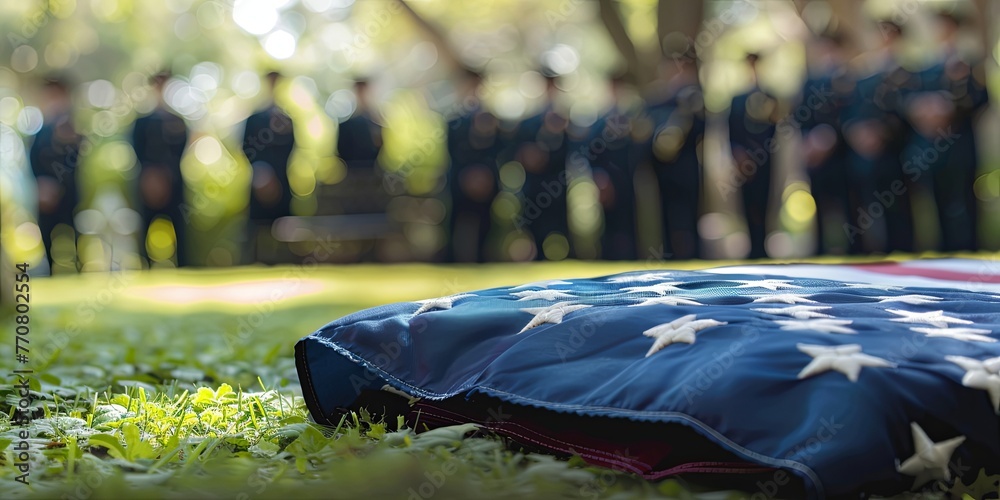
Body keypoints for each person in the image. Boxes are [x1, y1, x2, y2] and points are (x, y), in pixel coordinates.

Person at [903, 10, 989, 252]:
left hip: (960, 144)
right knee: (937, 199)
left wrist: (951, 108)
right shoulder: (925, 66)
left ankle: (972, 249)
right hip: (933, 147)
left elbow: (981, 99)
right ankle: (941, 251)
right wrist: (923, 112)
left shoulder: (969, 62)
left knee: (965, 202)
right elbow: (909, 101)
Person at [841, 20, 917, 254]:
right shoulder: (862, 73)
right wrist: (857, 133)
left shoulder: (909, 73)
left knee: (899, 212)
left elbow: (907, 113)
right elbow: (851, 111)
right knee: (865, 210)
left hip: (896, 154)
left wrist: (882, 132)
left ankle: (902, 252)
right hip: (865, 157)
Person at [797, 32, 853, 255]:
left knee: (846, 203)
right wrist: (809, 140)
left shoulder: (848, 79)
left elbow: (852, 113)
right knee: (818, 203)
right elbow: (800, 115)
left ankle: (850, 249)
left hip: (841, 154)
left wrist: (831, 136)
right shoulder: (811, 81)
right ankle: (819, 248)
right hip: (815, 156)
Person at [646, 48, 705, 260]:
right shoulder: (656, 99)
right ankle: (668, 256)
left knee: (689, 214)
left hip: (686, 167)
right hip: (663, 168)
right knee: (665, 215)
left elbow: (702, 130)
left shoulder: (693, 96)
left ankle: (693, 256)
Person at [132, 71, 190, 266]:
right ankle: (145, 264)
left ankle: (183, 264)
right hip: (147, 181)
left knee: (179, 226)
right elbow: (137, 151)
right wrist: (151, 178)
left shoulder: (178, 121)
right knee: (146, 224)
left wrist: (166, 176)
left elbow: (181, 151)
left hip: (173, 181)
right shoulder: (141, 122)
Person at [445, 69, 501, 263]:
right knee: (456, 219)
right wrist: (468, 175)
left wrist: (483, 175)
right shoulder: (454, 120)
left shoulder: (491, 118)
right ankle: (452, 258)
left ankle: (483, 257)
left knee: (485, 220)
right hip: (461, 179)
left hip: (486, 179)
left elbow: (497, 150)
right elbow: (452, 152)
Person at [729, 53, 781, 259]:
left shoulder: (771, 96)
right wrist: (738, 155)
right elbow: (731, 131)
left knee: (765, 199)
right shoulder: (737, 99)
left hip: (764, 158)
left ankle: (764, 243)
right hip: (743, 160)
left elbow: (774, 129)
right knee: (746, 202)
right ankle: (750, 244)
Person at [514, 72, 571, 261]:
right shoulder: (529, 122)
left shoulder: (565, 120)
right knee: (535, 226)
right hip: (535, 184)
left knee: (559, 225)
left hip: (556, 182)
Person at [241, 71, 295, 263]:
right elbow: (246, 148)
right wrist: (261, 173)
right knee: (256, 224)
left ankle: (285, 259)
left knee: (283, 222)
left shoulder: (287, 118)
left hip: (281, 179)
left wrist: (276, 176)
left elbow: (291, 148)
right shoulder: (255, 118)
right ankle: (253, 260)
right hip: (259, 179)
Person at [30, 77, 82, 272]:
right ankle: (50, 269)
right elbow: (34, 160)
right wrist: (42, 186)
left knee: (72, 230)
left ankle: (77, 266)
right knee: (47, 232)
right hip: (45, 192)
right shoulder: (39, 130)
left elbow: (75, 159)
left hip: (67, 192)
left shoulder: (71, 126)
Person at [589, 75, 639, 261]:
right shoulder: (599, 121)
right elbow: (590, 151)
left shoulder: (634, 118)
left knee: (630, 222)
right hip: (608, 180)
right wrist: (599, 178)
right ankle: (608, 257)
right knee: (609, 224)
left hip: (629, 179)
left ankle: (631, 256)